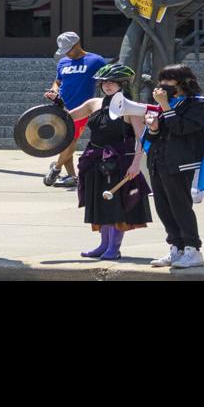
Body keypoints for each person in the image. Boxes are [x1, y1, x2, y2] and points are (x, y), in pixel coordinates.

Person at [65, 63, 151, 260]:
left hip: (119, 160)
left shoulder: (131, 107)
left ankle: (114, 247)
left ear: (123, 84)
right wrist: (57, 104)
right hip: (94, 158)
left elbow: (142, 138)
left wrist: (136, 164)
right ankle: (103, 245)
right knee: (99, 202)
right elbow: (67, 117)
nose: (107, 85)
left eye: (112, 82)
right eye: (104, 82)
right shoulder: (93, 103)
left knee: (116, 204)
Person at [142, 63, 204, 270]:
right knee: (163, 207)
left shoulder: (197, 103)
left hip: (180, 163)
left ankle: (192, 249)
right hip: (159, 161)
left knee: (180, 205)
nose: (163, 84)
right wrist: (153, 128)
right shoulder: (167, 104)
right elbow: (155, 135)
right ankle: (176, 247)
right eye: (161, 80)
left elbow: (182, 128)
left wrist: (165, 106)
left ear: (183, 82)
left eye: (168, 80)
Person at [44, 32, 106, 188]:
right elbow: (58, 82)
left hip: (82, 109)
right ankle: (72, 176)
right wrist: (53, 91)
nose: (66, 54)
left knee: (71, 140)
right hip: (61, 107)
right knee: (64, 142)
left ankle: (56, 168)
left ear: (77, 44)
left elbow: (107, 81)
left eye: (68, 50)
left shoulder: (96, 60)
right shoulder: (63, 62)